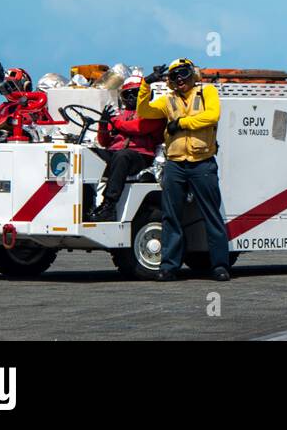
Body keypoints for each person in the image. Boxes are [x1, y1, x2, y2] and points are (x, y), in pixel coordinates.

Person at [136, 58, 230, 281]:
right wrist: (145, 84)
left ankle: (219, 266)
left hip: (202, 162)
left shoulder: (206, 92)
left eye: (184, 73)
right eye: (175, 75)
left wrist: (181, 123)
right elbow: (144, 112)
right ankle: (169, 267)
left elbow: (212, 116)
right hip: (176, 164)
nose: (180, 78)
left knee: (211, 216)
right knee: (171, 217)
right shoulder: (167, 100)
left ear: (192, 74)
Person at [88, 76, 166, 222]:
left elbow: (138, 128)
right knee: (86, 155)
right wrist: (103, 125)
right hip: (116, 155)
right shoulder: (119, 115)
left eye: (135, 93)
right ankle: (86, 203)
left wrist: (114, 122)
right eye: (127, 94)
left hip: (140, 157)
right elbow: (104, 142)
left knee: (123, 156)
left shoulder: (153, 112)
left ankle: (108, 205)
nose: (131, 97)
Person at [0, 62, 48, 142]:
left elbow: (26, 119)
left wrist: (4, 123)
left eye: (12, 86)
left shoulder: (34, 104)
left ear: (26, 86)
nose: (9, 90)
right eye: (6, 86)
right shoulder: (3, 108)